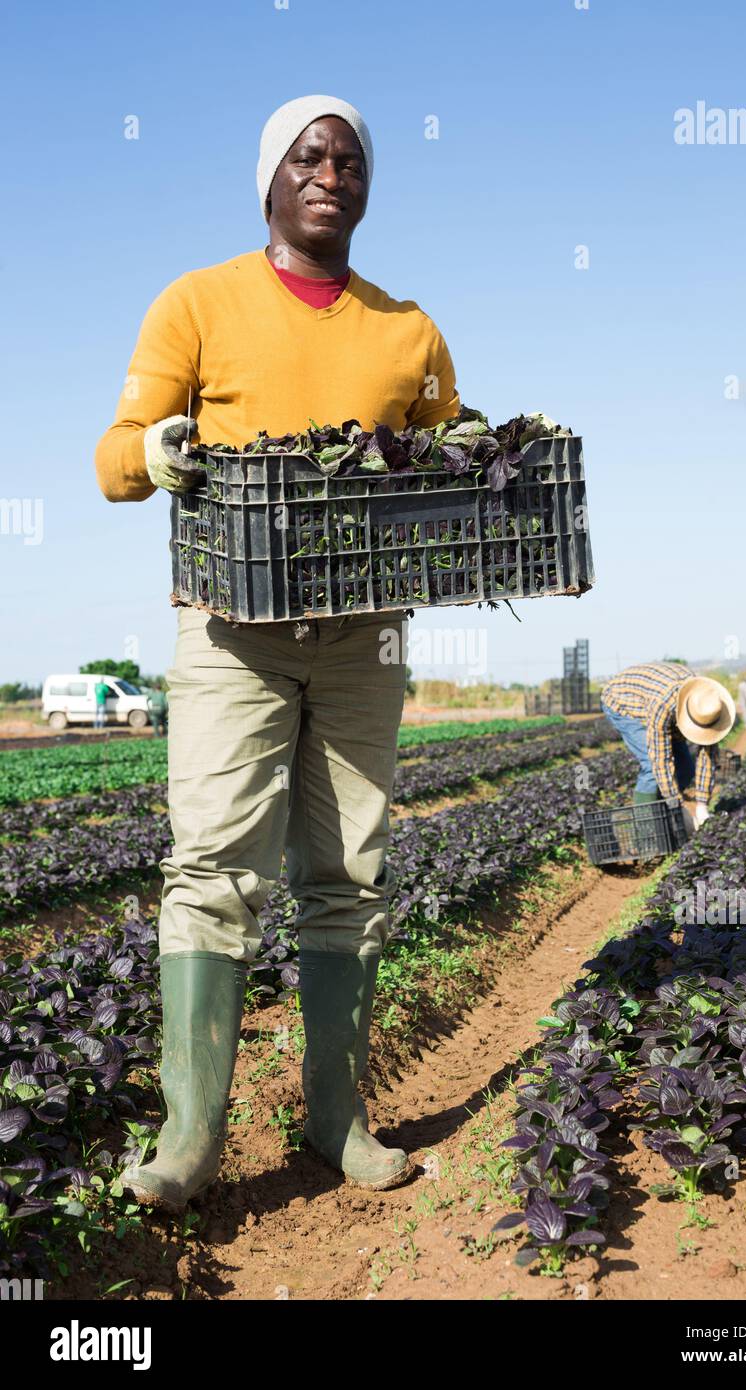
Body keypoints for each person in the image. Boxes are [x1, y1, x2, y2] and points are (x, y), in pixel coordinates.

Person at [95, 95, 460, 1212]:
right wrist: (154, 451)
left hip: (363, 637)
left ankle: (335, 1117)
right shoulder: (197, 302)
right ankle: (191, 1136)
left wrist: (474, 443)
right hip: (228, 633)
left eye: (349, 160)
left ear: (366, 185)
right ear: (269, 179)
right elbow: (115, 457)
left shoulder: (406, 329)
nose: (329, 173)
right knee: (211, 873)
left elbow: (450, 460)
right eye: (307, 156)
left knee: (347, 873)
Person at [600, 663, 735, 831]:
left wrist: (702, 806)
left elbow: (706, 758)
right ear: (684, 718)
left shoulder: (709, 705)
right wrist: (677, 806)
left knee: (686, 768)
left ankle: (662, 811)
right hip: (623, 702)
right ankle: (647, 832)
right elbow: (660, 760)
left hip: (660, 701)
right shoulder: (663, 706)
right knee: (651, 767)